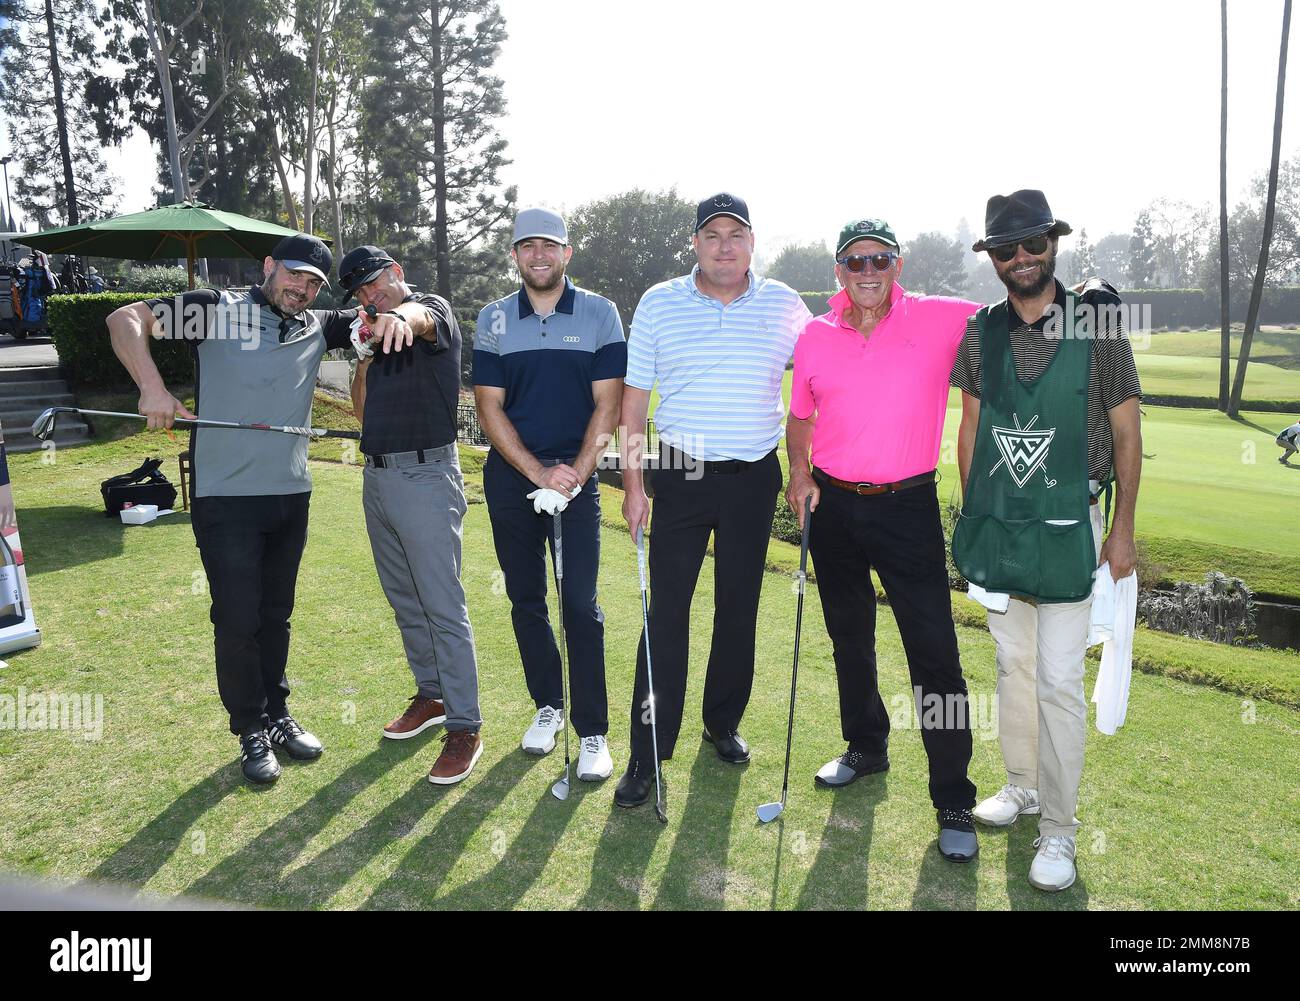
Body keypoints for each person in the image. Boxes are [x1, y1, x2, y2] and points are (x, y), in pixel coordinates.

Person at [107, 233, 410, 785]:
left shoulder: (318, 325)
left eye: (315, 283)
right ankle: (250, 725)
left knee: (276, 616)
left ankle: (277, 715)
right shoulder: (216, 311)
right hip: (225, 497)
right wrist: (151, 387)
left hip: (290, 494)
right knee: (238, 619)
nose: (303, 288)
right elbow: (124, 319)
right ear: (269, 267)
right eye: (295, 274)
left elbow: (384, 308)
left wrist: (403, 309)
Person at [951, 189, 1143, 891]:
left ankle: (1059, 831)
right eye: (1008, 248)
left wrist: (1121, 530)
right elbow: (970, 428)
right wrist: (970, 514)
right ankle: (1023, 785)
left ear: (1053, 244)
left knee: (1060, 679)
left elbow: (1127, 431)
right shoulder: (980, 331)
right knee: (1014, 669)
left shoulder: (1097, 325)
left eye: (1034, 243)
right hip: (1001, 527)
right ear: (993, 259)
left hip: (1072, 527)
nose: (1022, 257)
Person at [785, 218, 982, 862]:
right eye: (855, 262)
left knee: (933, 650)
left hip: (907, 506)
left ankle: (952, 794)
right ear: (839, 271)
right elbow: (800, 415)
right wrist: (799, 473)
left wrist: (1082, 300)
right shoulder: (815, 333)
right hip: (835, 507)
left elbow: (1014, 306)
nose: (868, 272)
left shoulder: (939, 317)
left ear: (898, 266)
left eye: (880, 261)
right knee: (849, 633)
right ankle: (866, 746)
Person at [615, 192, 813, 808]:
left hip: (752, 474)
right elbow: (634, 400)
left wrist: (804, 468)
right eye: (712, 235)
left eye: (736, 234)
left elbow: (812, 388)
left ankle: (721, 721)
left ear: (753, 242)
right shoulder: (659, 302)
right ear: (695, 243)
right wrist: (633, 484)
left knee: (738, 608)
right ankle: (647, 751)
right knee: (665, 613)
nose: (724, 245)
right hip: (678, 470)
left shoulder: (785, 305)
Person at [473, 208, 626, 783]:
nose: (538, 255)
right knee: (526, 600)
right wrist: (539, 474)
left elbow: (607, 405)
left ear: (567, 254)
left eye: (550, 246)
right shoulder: (493, 318)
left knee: (580, 607)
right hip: (513, 480)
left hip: (576, 482)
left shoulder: (598, 313)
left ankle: (592, 731)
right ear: (514, 255)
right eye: (527, 246)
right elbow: (490, 408)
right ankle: (549, 705)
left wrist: (575, 475)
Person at [343, 245, 483, 785]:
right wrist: (365, 354)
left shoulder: (431, 311)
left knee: (442, 606)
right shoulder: (375, 337)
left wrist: (398, 318)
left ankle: (466, 725)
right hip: (377, 476)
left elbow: (422, 318)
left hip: (426, 477)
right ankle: (432, 696)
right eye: (360, 293)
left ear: (397, 275)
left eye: (376, 285)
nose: (369, 297)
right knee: (405, 599)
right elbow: (362, 414)